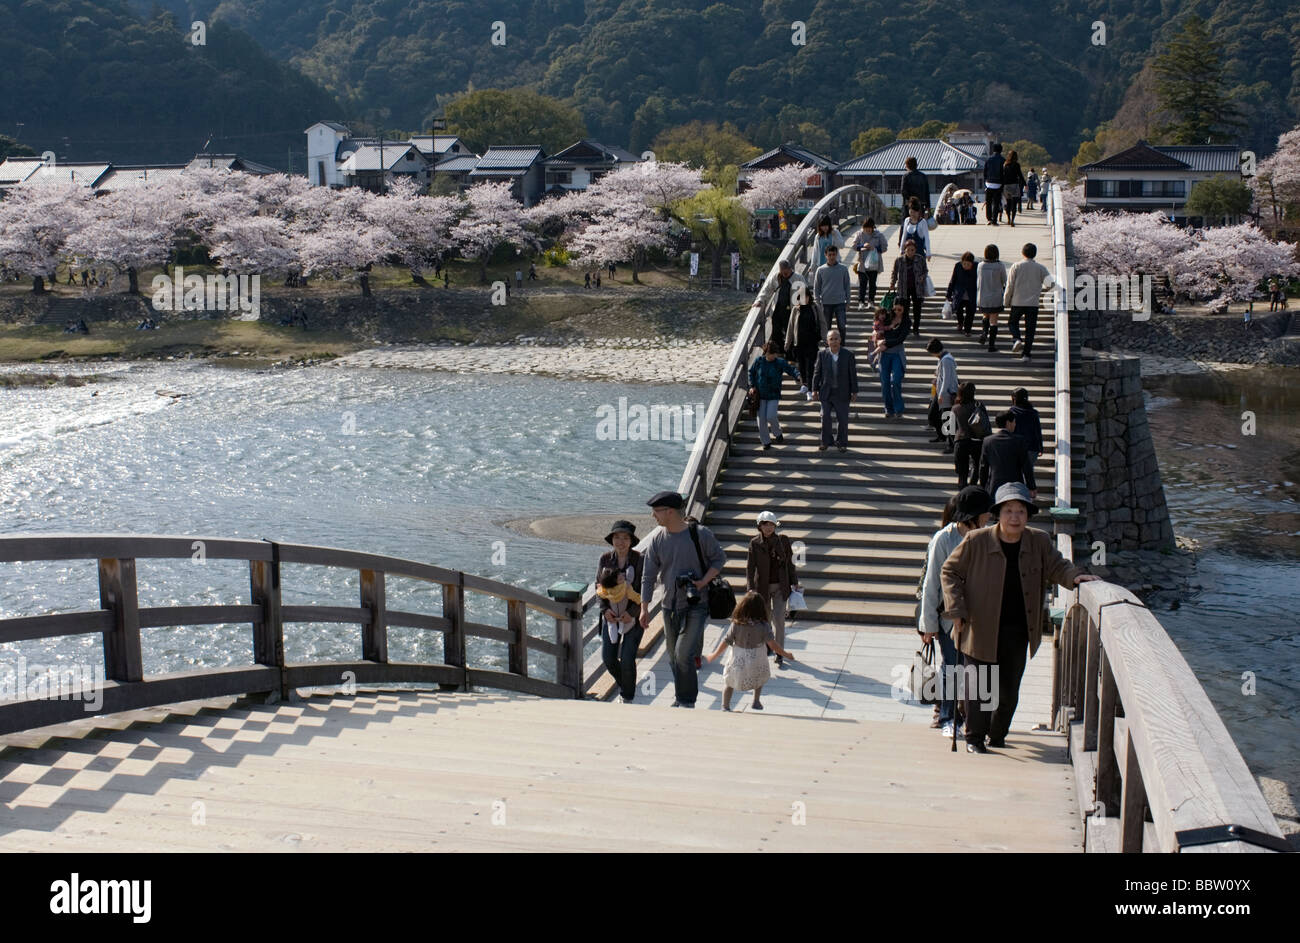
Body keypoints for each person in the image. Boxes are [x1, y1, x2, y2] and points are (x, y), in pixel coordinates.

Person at [941, 483, 1099, 752]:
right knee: (977, 687)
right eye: (1009, 511)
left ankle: (998, 734)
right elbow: (949, 571)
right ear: (998, 514)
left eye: (1020, 512)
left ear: (1027, 515)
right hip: (979, 625)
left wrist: (1075, 577)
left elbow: (1057, 566)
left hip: (1018, 627)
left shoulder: (1038, 541)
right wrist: (956, 609)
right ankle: (974, 738)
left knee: (1008, 689)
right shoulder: (976, 540)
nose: (1014, 517)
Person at [639, 491, 727, 709]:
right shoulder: (658, 538)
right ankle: (681, 698)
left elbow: (719, 558)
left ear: (670, 512)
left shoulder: (700, 534)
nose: (653, 516)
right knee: (673, 657)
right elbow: (648, 575)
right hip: (669, 605)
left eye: (656, 511)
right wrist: (644, 608)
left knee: (682, 654)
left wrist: (703, 581)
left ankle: (687, 701)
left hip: (696, 605)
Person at [920, 486, 993, 737]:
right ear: (974, 515)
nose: (989, 518)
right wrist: (928, 624)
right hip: (949, 616)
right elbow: (931, 583)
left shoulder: (989, 536)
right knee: (953, 665)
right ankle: (947, 717)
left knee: (976, 667)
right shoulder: (944, 538)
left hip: (980, 615)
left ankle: (974, 719)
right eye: (985, 513)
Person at [704, 591, 795, 711]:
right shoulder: (763, 625)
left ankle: (725, 706)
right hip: (757, 657)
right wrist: (786, 654)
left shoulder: (736, 624)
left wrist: (714, 655)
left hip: (738, 657)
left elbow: (726, 641)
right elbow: (773, 645)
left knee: (729, 681)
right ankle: (756, 701)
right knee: (759, 677)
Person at [596, 521, 645, 703]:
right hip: (611, 617)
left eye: (625, 538)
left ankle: (627, 697)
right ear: (612, 540)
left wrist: (632, 613)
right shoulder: (605, 559)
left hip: (632, 617)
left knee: (627, 659)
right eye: (617, 537)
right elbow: (598, 587)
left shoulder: (640, 560)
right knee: (608, 658)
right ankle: (627, 686)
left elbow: (644, 591)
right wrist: (604, 610)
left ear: (631, 541)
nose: (621, 542)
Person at [746, 511, 801, 667]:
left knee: (779, 619)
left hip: (781, 585)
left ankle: (779, 652)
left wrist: (794, 581)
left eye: (771, 525)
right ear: (760, 526)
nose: (768, 528)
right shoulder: (754, 542)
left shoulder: (783, 541)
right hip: (761, 586)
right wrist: (750, 588)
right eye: (765, 525)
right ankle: (766, 648)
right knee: (765, 620)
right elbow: (750, 567)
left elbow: (790, 563)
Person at [748, 342, 804, 450]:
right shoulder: (759, 361)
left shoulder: (780, 362)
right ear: (765, 353)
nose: (773, 356)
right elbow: (751, 373)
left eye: (774, 354)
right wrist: (752, 386)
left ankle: (777, 433)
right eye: (770, 354)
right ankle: (766, 442)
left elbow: (791, 369)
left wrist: (797, 375)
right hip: (760, 395)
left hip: (774, 394)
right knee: (761, 420)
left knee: (771, 416)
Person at [1004, 243, 1054, 361]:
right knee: (1030, 329)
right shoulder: (1041, 268)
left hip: (1017, 301)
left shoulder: (1016, 266)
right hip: (1032, 303)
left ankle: (1017, 339)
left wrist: (1006, 300)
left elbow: (1009, 285)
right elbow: (1050, 284)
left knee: (1012, 322)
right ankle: (1026, 354)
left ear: (1023, 253)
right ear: (1035, 254)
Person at [811, 328, 858, 452]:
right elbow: (817, 373)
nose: (834, 341)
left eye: (836, 339)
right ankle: (826, 441)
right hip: (826, 391)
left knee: (842, 419)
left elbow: (853, 374)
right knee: (825, 416)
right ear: (827, 341)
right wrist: (814, 389)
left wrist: (854, 391)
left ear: (840, 340)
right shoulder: (822, 354)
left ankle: (842, 442)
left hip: (842, 392)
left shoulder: (848, 355)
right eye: (831, 339)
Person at [980, 410, 1036, 499]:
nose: (1015, 424)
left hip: (994, 485)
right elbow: (1026, 466)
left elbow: (983, 467)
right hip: (1015, 486)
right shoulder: (1019, 441)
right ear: (1008, 423)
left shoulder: (987, 441)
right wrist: (1031, 486)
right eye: (1014, 422)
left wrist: (982, 486)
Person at [785, 287, 821, 403]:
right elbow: (790, 327)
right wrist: (787, 342)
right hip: (798, 343)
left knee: (810, 366)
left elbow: (823, 323)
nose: (803, 299)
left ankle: (810, 390)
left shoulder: (815, 308)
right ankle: (804, 384)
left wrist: (826, 338)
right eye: (800, 297)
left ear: (809, 297)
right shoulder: (796, 309)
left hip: (812, 342)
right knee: (801, 365)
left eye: (805, 296)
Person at [951, 381, 987, 489]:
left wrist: (954, 441)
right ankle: (973, 486)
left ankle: (962, 490)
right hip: (977, 441)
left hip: (961, 440)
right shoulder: (979, 406)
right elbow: (985, 422)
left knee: (962, 472)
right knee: (977, 466)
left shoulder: (955, 408)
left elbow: (951, 429)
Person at [889, 236, 928, 335]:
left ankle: (916, 328)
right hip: (903, 288)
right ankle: (905, 327)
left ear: (915, 250)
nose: (910, 252)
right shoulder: (899, 260)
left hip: (917, 287)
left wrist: (923, 276)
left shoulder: (920, 259)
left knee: (917, 309)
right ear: (905, 250)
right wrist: (892, 283)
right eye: (908, 250)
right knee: (904, 310)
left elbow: (925, 270)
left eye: (912, 250)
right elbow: (894, 272)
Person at [813, 244, 852, 341]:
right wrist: (818, 303)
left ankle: (842, 346)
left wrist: (848, 301)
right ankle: (828, 347)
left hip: (840, 302)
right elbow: (816, 288)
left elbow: (847, 286)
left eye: (833, 254)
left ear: (836, 255)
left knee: (842, 326)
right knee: (827, 327)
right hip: (826, 303)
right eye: (829, 255)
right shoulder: (820, 270)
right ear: (825, 255)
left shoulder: (843, 269)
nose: (831, 257)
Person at [927, 338, 959, 454]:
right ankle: (941, 435)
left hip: (946, 393)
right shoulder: (943, 358)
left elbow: (947, 379)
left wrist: (941, 394)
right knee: (933, 414)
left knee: (947, 418)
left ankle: (951, 444)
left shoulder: (946, 360)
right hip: (940, 391)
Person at [878, 301, 909, 418]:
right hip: (884, 354)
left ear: (904, 310)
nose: (896, 312)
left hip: (897, 353)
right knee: (885, 382)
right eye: (895, 309)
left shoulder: (906, 321)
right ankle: (889, 408)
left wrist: (885, 342)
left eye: (899, 310)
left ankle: (899, 408)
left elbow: (900, 339)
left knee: (896, 381)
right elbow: (878, 328)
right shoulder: (887, 317)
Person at [849, 218, 888, 308]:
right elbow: (853, 246)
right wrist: (862, 246)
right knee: (862, 282)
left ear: (873, 227)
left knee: (872, 283)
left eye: (869, 228)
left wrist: (874, 248)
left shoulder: (879, 235)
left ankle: (871, 300)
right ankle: (861, 301)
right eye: (866, 228)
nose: (868, 230)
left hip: (874, 263)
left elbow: (884, 247)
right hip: (862, 262)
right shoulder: (859, 234)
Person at [977, 244, 1007, 352]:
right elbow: (1004, 280)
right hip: (995, 296)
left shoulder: (980, 265)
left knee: (985, 315)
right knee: (994, 320)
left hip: (983, 296)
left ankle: (984, 332)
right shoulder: (1000, 266)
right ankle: (991, 345)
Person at [771, 259, 805, 355]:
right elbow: (767, 289)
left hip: (792, 309)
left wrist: (802, 306)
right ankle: (779, 353)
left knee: (790, 333)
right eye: (782, 270)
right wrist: (760, 300)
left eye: (787, 270)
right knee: (776, 332)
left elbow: (804, 294)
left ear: (790, 269)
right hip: (778, 308)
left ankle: (791, 355)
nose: (785, 273)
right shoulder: (776, 277)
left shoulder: (798, 278)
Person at [945, 250, 978, 336]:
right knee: (958, 311)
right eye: (964, 264)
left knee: (970, 313)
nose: (966, 266)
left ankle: (967, 329)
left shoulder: (976, 267)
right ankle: (960, 323)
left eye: (968, 264)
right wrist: (949, 293)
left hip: (971, 294)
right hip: (959, 294)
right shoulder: (958, 266)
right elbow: (953, 280)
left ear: (972, 263)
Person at [1008, 388, 1044, 467]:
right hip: (1032, 447)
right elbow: (1037, 431)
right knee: (1028, 473)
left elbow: (1009, 431)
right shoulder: (1033, 413)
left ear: (1014, 398)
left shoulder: (1012, 412)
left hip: (1016, 447)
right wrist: (1040, 447)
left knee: (1016, 472)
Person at [1002, 149, 1026, 227]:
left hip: (1006, 186)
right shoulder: (1016, 165)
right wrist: (1025, 184)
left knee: (1008, 203)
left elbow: (1002, 175)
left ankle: (1008, 219)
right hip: (1014, 185)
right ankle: (1012, 220)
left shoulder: (1005, 164)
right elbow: (1020, 175)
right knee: (1014, 204)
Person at [983, 142, 1005, 225]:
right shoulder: (1003, 160)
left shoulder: (988, 159)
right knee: (996, 203)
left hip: (989, 183)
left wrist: (986, 181)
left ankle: (989, 219)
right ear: (1001, 150)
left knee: (988, 202)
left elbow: (985, 171)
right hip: (998, 184)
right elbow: (1004, 173)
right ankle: (994, 220)